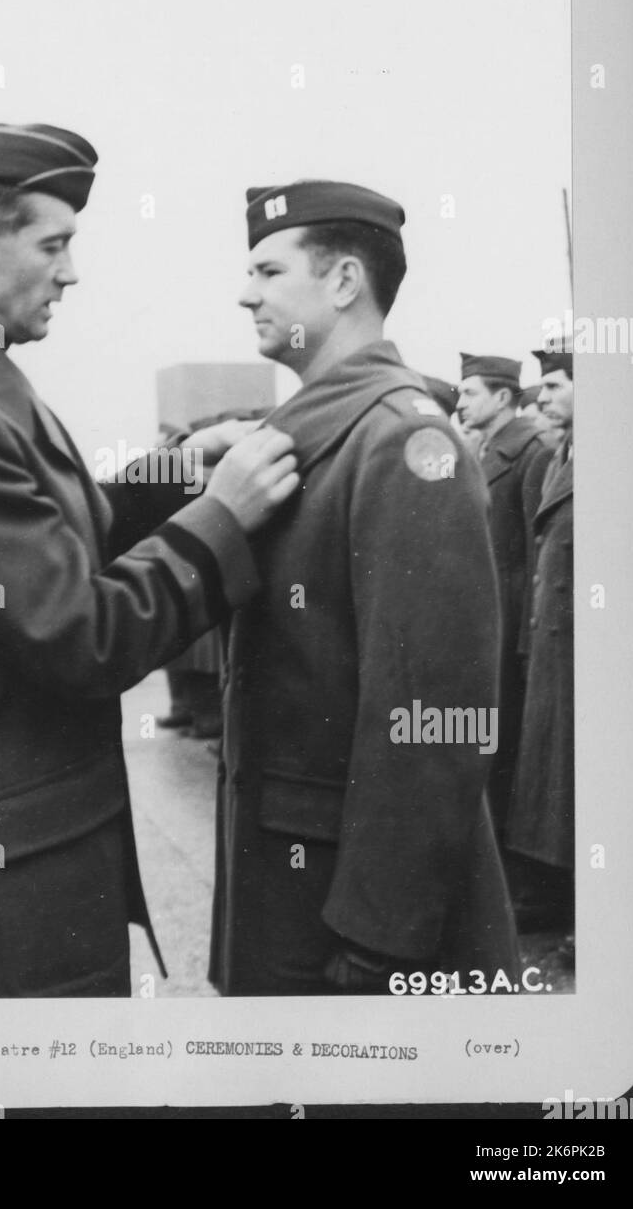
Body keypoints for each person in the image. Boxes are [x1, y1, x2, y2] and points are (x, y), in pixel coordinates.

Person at [0, 120, 298, 998]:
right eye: (54, 244)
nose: (71, 271)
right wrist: (224, 517)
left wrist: (181, 469)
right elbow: (84, 636)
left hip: (2, 864)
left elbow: (62, 520)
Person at [209, 179, 517, 995]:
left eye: (269, 272)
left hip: (349, 915)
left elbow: (435, 716)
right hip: (290, 884)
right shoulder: (316, 433)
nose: (245, 294)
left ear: (345, 282)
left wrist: (383, 935)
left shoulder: (403, 442)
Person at [456, 354, 555, 837]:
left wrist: (525, 641)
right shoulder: (485, 449)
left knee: (503, 738)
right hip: (481, 617)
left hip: (508, 615)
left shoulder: (530, 452)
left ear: (501, 397)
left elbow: (537, 551)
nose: (460, 402)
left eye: (470, 392)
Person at [506, 346, 574, 936]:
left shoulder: (606, 459)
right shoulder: (561, 458)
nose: (543, 397)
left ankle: (581, 905)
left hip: (582, 645)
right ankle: (550, 893)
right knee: (548, 775)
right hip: (551, 639)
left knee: (573, 774)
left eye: (554, 385)